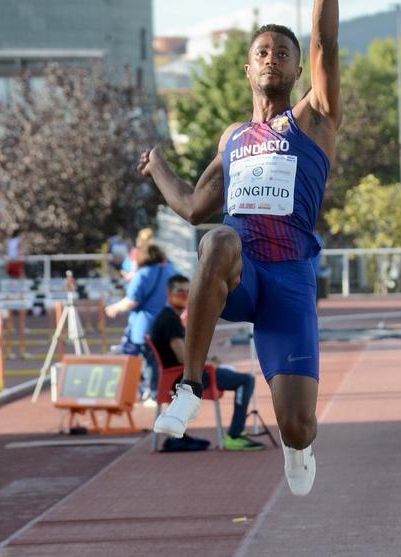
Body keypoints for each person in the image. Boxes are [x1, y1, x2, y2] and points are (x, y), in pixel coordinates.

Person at [138, 1, 341, 496]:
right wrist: (157, 166)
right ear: (247, 68)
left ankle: (299, 448)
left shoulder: (315, 119)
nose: (272, 58)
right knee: (219, 237)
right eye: (262, 52)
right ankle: (187, 388)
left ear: (297, 69)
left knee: (296, 422)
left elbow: (325, 40)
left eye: (283, 53)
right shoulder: (233, 139)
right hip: (242, 274)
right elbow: (191, 206)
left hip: (290, 283)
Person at [150, 274, 265, 451]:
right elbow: (183, 357)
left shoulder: (166, 316)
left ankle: (233, 433)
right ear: (169, 292)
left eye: (188, 291)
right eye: (179, 291)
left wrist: (210, 360)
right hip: (188, 378)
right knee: (246, 380)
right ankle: (235, 434)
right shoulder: (170, 320)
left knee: (232, 373)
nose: (184, 295)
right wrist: (208, 365)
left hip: (180, 375)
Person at [105, 243, 176, 397]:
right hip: (167, 322)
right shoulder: (170, 271)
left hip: (145, 325)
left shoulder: (143, 274)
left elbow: (132, 300)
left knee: (148, 360)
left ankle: (152, 392)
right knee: (163, 359)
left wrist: (114, 308)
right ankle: (162, 390)